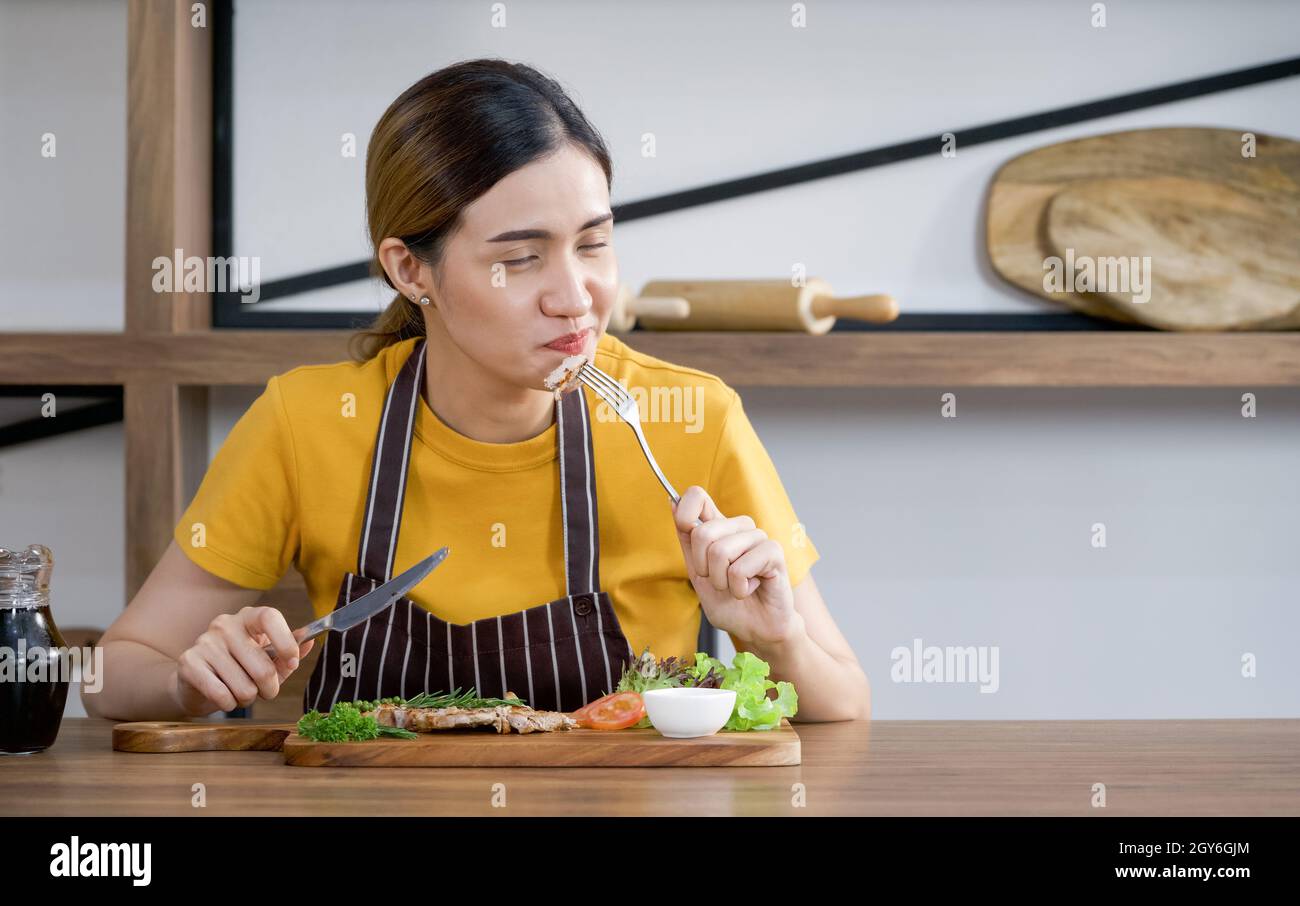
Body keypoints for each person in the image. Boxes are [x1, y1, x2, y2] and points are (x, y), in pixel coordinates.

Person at [84, 59, 870, 723]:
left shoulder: (690, 418)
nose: (576, 296)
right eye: (521, 259)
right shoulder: (306, 423)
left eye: (594, 244)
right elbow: (113, 672)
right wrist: (188, 684)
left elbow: (846, 703)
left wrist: (773, 639)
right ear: (409, 269)